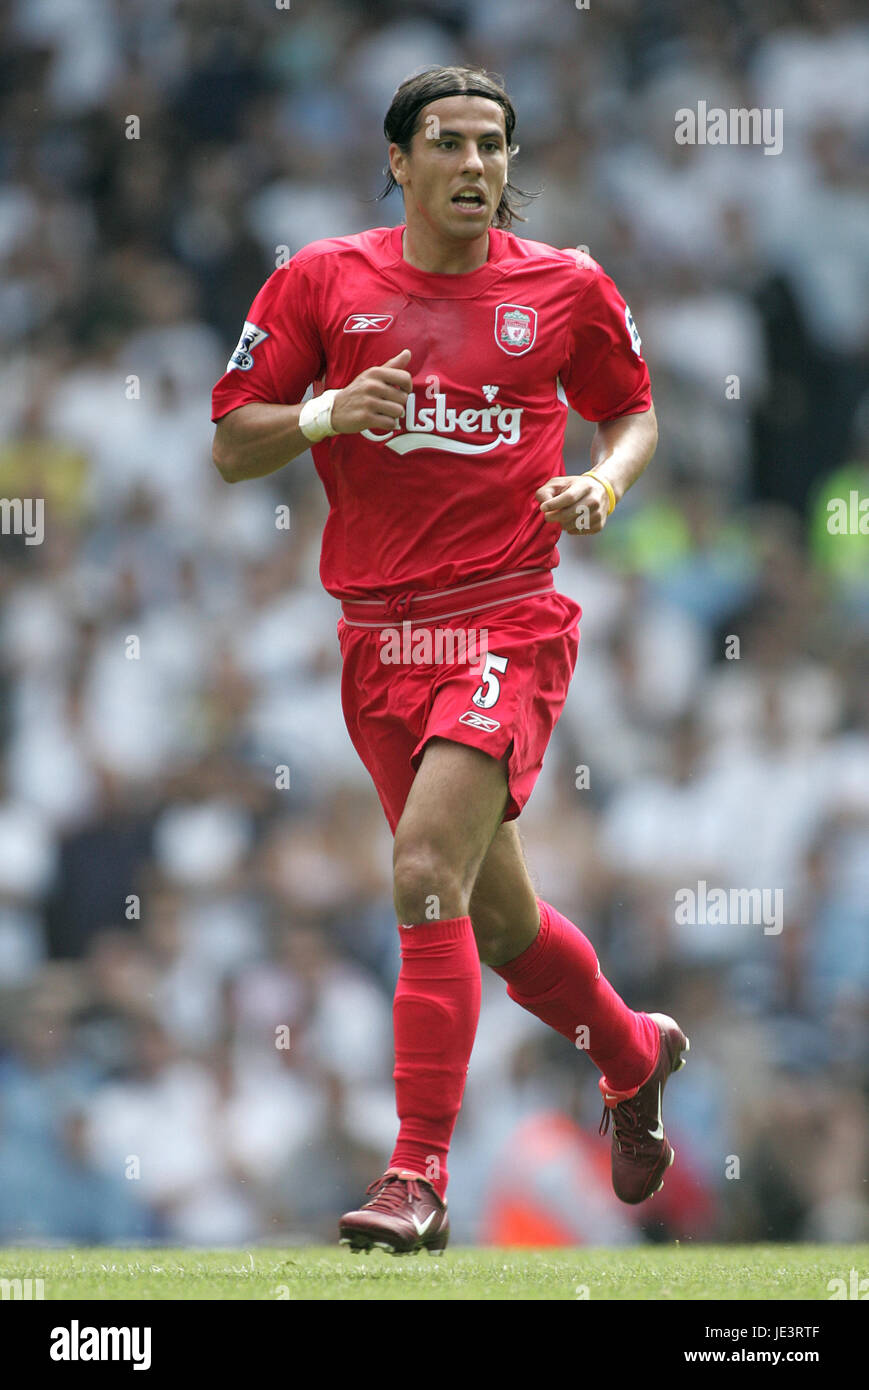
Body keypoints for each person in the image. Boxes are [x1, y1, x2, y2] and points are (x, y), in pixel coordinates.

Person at [211, 65, 689, 1256]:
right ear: (399, 162)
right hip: (376, 640)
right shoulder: (324, 279)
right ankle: (631, 1054)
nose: (476, 165)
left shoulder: (564, 286)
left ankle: (415, 1176)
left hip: (505, 620)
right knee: (496, 923)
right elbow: (229, 441)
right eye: (449, 143)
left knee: (423, 864)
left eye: (492, 145)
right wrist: (325, 414)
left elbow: (631, 409)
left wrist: (601, 480)